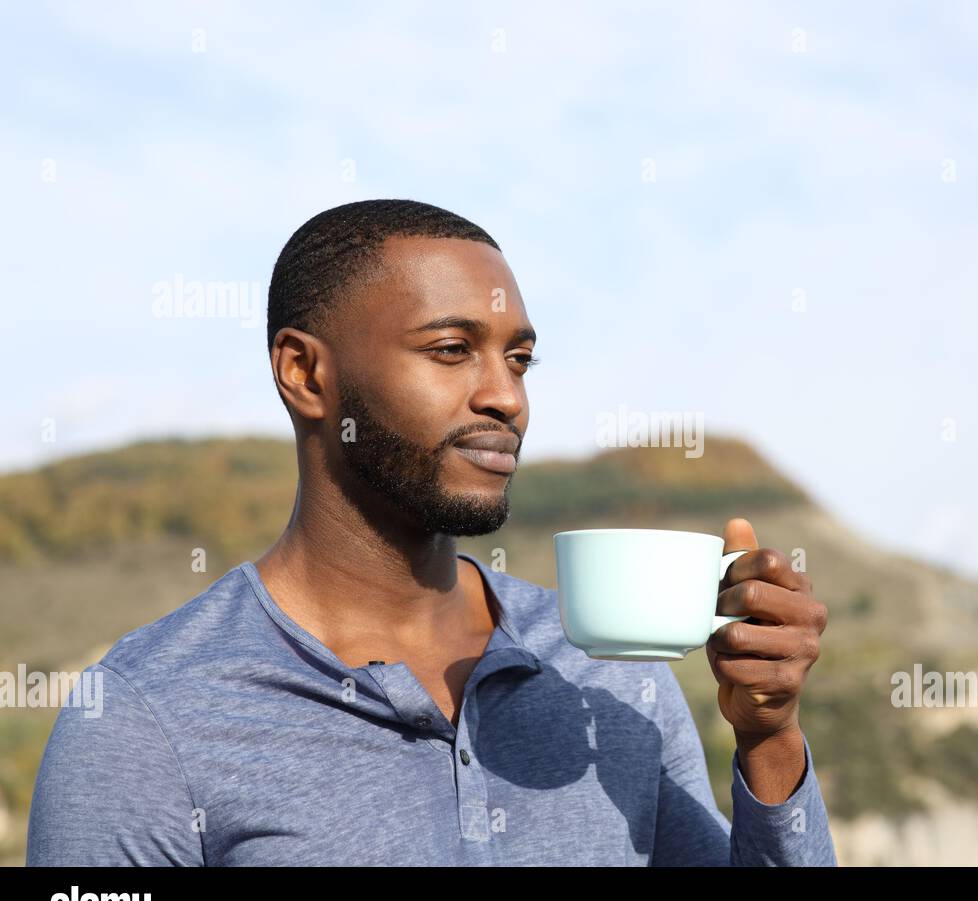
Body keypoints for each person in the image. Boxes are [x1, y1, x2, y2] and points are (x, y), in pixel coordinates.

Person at [26, 199, 837, 866]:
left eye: (519, 360)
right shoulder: (146, 718)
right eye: (452, 350)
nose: (506, 398)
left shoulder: (608, 681)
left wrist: (768, 740)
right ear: (305, 373)